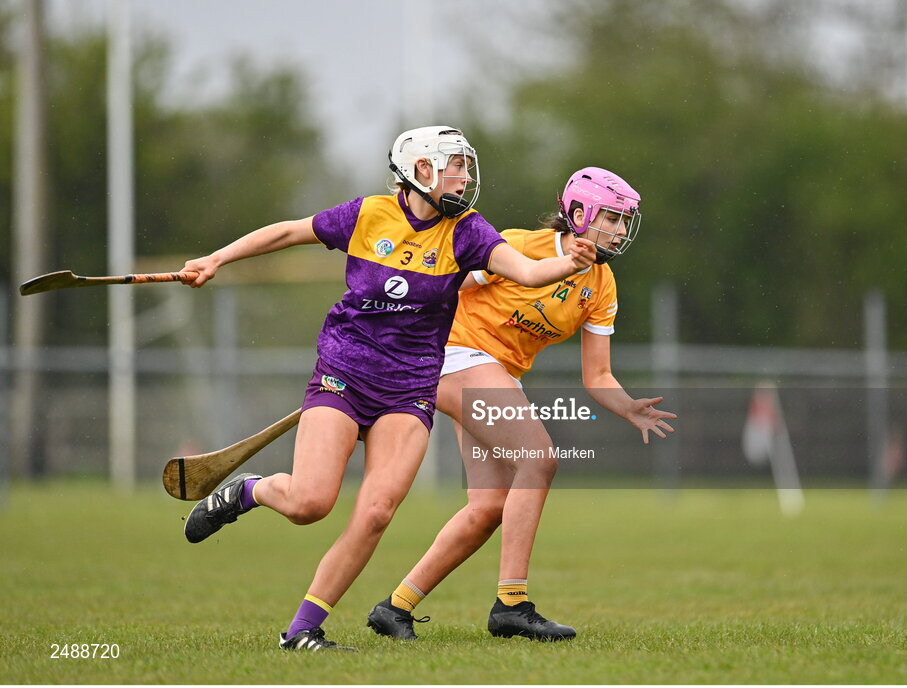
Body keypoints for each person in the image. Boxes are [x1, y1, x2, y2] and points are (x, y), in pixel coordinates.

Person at [179, 126, 596, 652]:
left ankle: (303, 630)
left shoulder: (466, 231)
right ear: (421, 169)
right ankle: (248, 491)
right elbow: (288, 232)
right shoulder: (367, 214)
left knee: (375, 513)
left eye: (467, 166)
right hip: (344, 372)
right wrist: (216, 259)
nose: (466, 177)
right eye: (456, 166)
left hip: (411, 387)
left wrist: (569, 263)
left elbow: (530, 271)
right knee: (310, 503)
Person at [365, 167, 676, 642]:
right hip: (452, 356)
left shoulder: (602, 284)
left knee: (488, 506)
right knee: (539, 458)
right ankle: (512, 603)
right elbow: (439, 285)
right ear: (577, 213)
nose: (618, 229)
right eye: (610, 217)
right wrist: (388, 343)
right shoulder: (516, 246)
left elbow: (598, 376)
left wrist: (627, 405)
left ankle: (395, 607)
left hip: (495, 375)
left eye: (623, 220)